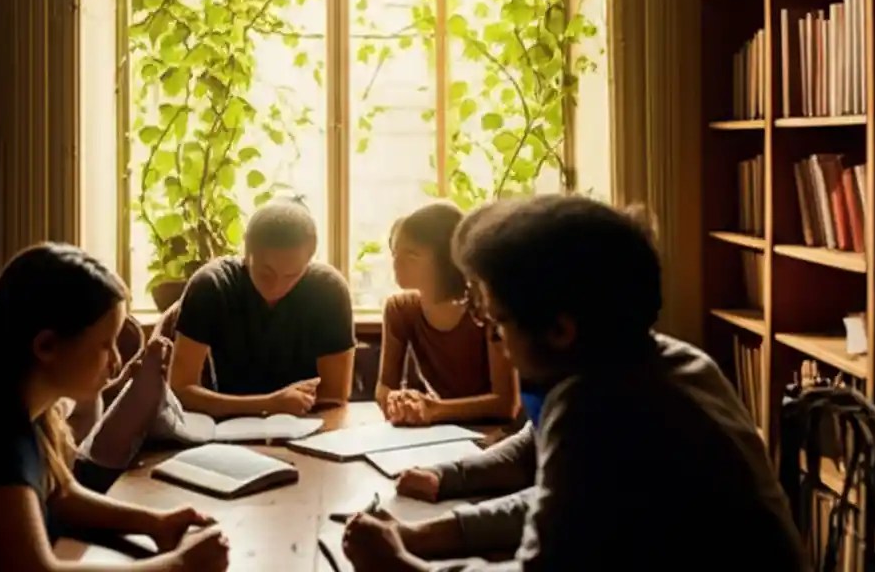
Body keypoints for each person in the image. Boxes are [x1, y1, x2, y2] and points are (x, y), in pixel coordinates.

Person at [343, 195, 807, 572]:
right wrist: (420, 532)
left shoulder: (599, 406)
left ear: (560, 329)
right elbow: (542, 475)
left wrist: (397, 565)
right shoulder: (667, 361)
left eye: (499, 319)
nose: (492, 334)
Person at [0, 242, 230, 572]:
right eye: (105, 346)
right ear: (46, 347)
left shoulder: (17, 397)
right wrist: (177, 566)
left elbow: (62, 495)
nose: (117, 363)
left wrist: (156, 522)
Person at [168, 199, 355, 417]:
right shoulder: (212, 286)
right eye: (266, 273)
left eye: (292, 275)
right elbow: (180, 389)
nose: (277, 287)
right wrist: (270, 403)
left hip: (307, 422)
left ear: (310, 257)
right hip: (230, 428)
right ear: (247, 251)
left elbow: (335, 394)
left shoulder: (329, 291)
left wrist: (282, 404)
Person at [378, 201, 519, 426]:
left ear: (448, 261)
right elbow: (384, 387)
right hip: (445, 431)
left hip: (502, 434)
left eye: (411, 256)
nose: (397, 263)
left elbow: (506, 404)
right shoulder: (400, 310)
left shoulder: (487, 309)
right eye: (395, 253)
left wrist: (435, 410)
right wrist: (397, 400)